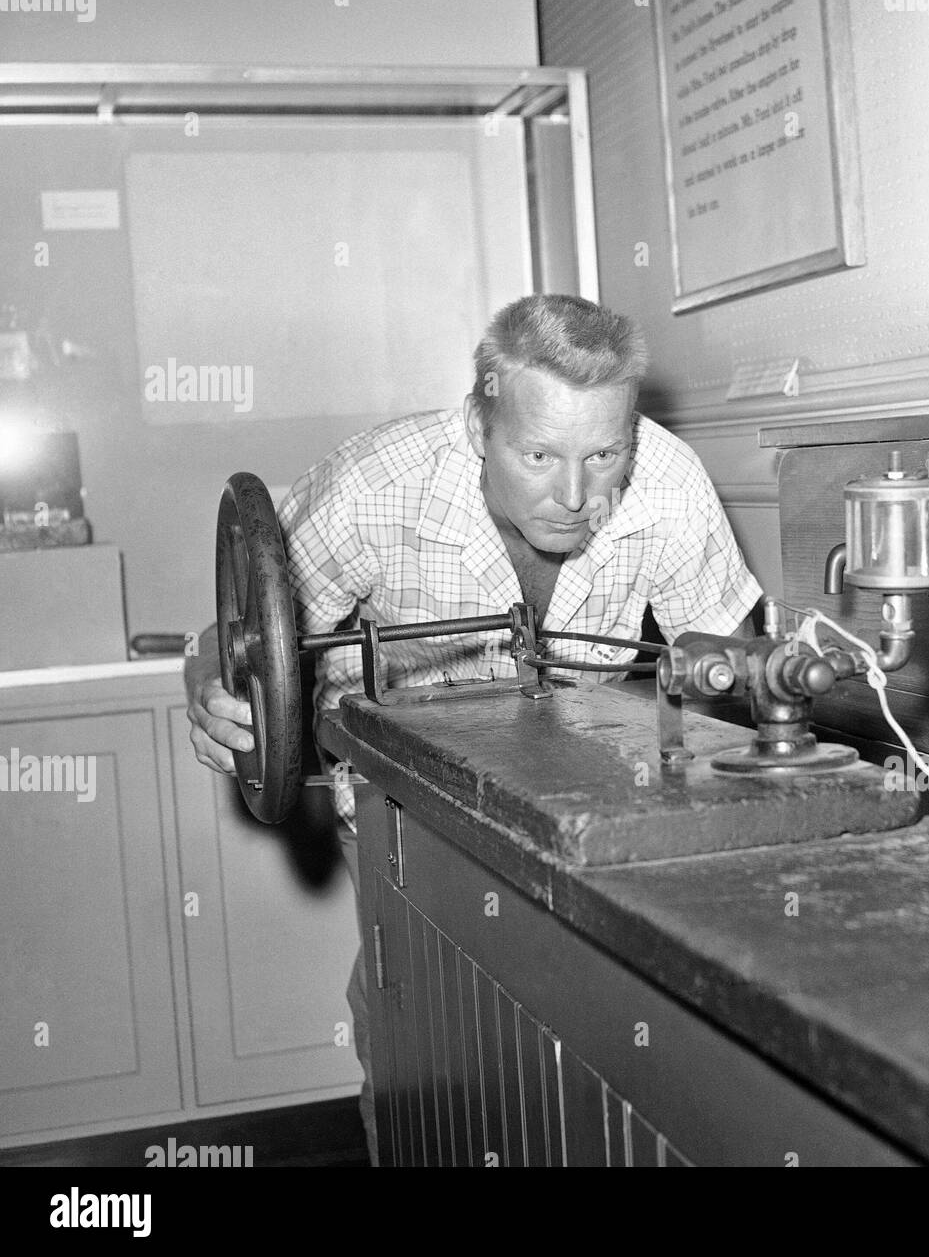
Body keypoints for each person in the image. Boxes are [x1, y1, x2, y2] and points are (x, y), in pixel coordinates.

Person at [185, 293, 761, 1163]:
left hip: (580, 795)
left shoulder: (668, 482)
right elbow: (240, 631)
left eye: (604, 453)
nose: (575, 495)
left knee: (586, 1033)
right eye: (538, 454)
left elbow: (730, 663)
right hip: (396, 802)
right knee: (419, 1018)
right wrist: (215, 696)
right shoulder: (377, 484)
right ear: (477, 422)